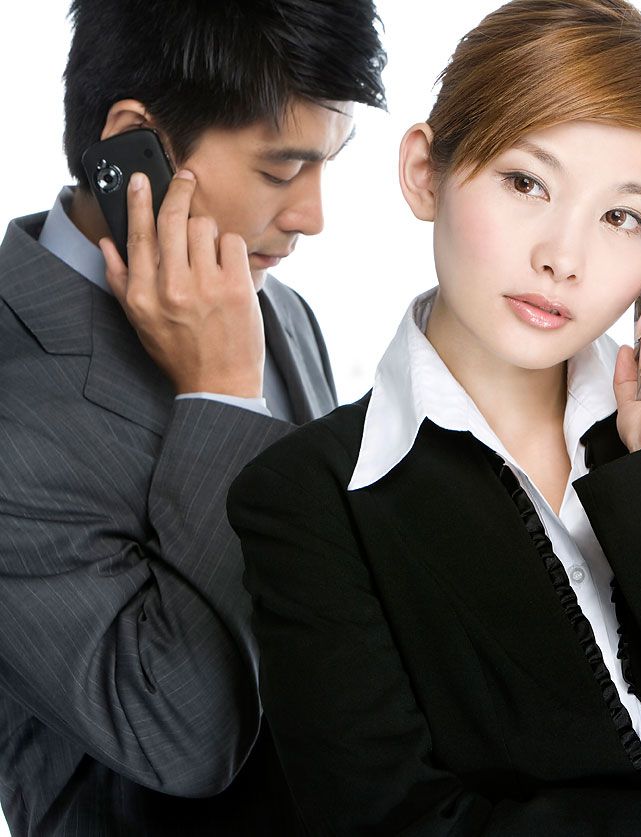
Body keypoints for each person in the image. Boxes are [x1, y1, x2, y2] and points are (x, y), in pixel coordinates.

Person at [226, 1, 641, 834]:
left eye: (620, 217)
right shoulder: (309, 497)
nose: (563, 256)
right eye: (526, 182)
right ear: (424, 171)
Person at [0, 1, 386, 833]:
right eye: (282, 170)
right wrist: (219, 393)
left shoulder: (272, 310)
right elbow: (184, 739)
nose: (312, 215)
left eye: (328, 163)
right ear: (134, 146)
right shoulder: (11, 408)